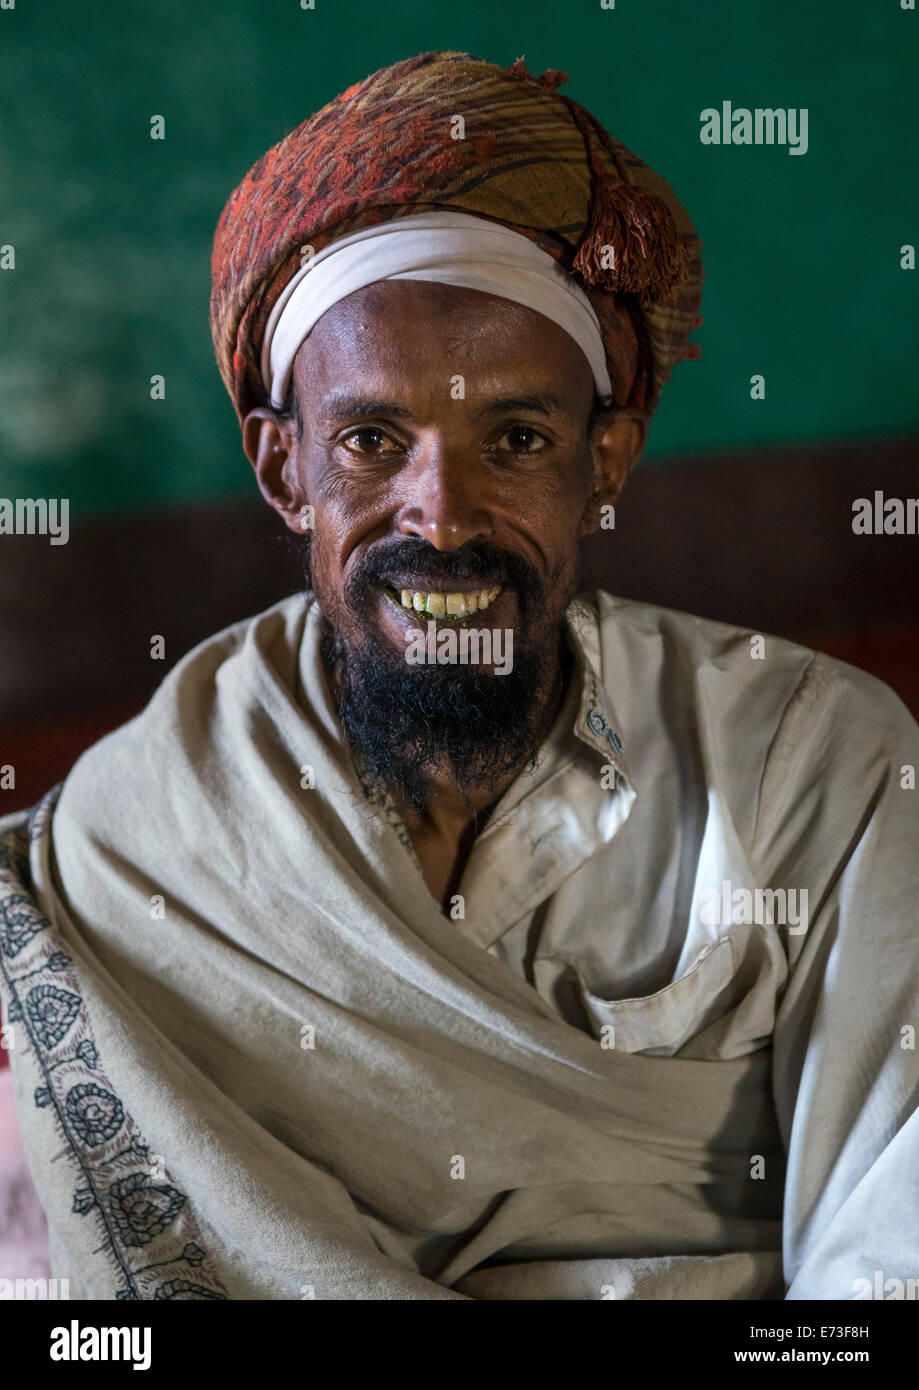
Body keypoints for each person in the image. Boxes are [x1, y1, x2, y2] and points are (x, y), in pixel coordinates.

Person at [0, 49, 916, 1301]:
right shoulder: (143, 835)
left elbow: (885, 1250)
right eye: (372, 440)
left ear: (605, 461)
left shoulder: (817, 765)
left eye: (517, 438)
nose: (441, 515)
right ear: (283, 469)